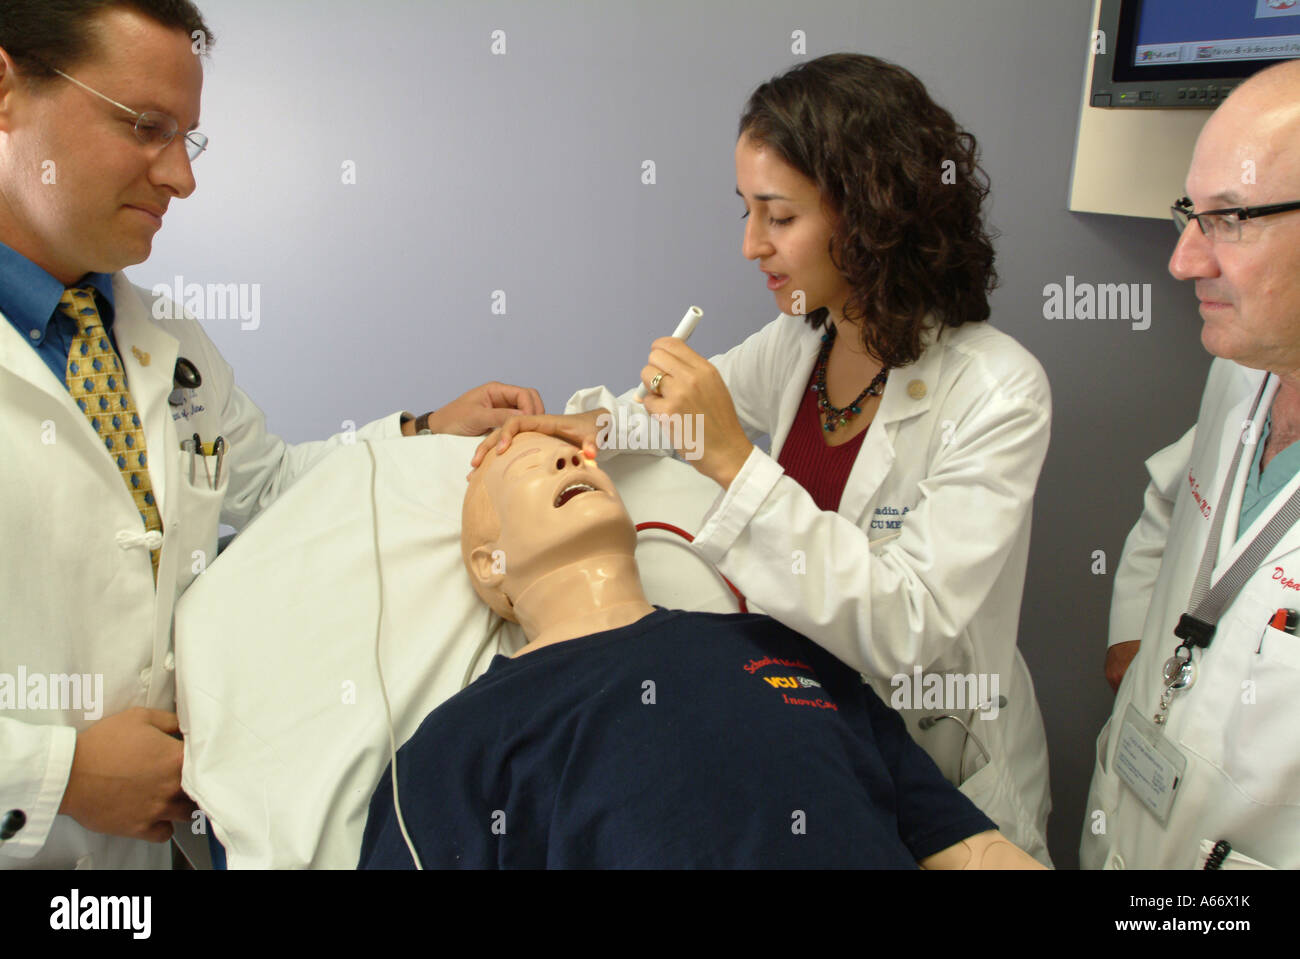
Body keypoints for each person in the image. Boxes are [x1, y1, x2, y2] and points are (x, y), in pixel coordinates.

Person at [0, 0, 542, 869]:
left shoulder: (161, 341)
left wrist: (425, 432)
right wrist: (52, 774)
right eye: (145, 126)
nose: (180, 176)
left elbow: (270, 490)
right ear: (6, 89)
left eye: (189, 137)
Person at [471, 53, 1053, 861]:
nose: (750, 245)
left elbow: (907, 625)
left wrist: (735, 463)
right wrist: (588, 426)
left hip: (939, 749)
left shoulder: (998, 390)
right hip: (824, 740)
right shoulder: (799, 342)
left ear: (871, 211)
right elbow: (662, 419)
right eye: (745, 211)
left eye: (777, 217)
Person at [358, 432, 1046, 869]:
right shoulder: (457, 742)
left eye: (570, 450)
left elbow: (968, 846)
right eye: (525, 467)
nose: (569, 456)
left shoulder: (785, 643)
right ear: (489, 564)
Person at [1083, 60, 1300, 870]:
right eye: (1191, 214)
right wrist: (1137, 633)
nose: (1183, 261)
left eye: (1231, 219)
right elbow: (1174, 501)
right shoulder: (1240, 368)